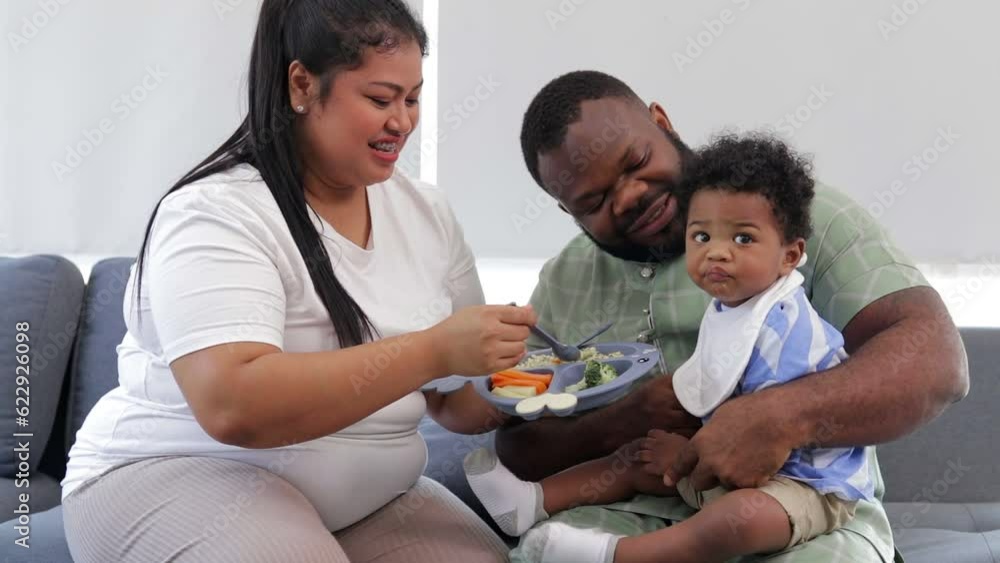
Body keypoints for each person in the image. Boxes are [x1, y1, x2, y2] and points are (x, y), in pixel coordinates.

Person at [60, 2, 534, 562]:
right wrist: (433, 350)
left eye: (412, 98)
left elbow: (453, 401)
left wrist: (540, 389)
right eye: (380, 100)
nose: (403, 122)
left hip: (368, 498)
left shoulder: (426, 212)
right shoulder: (216, 213)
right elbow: (233, 405)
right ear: (302, 84)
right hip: (183, 470)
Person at [499, 70, 969, 562]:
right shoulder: (564, 282)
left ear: (662, 123)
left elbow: (935, 361)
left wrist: (781, 417)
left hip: (802, 523)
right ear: (566, 211)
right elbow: (518, 446)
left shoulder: (794, 216)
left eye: (636, 162)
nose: (628, 196)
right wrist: (624, 421)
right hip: (623, 518)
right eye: (593, 202)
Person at [464, 133, 872, 563]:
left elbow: (763, 437)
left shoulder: (786, 328)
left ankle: (622, 556)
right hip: (725, 467)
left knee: (739, 519)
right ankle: (531, 501)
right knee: (639, 456)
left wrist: (690, 451)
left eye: (743, 240)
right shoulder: (731, 308)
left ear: (789, 257)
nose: (717, 253)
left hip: (801, 485)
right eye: (701, 237)